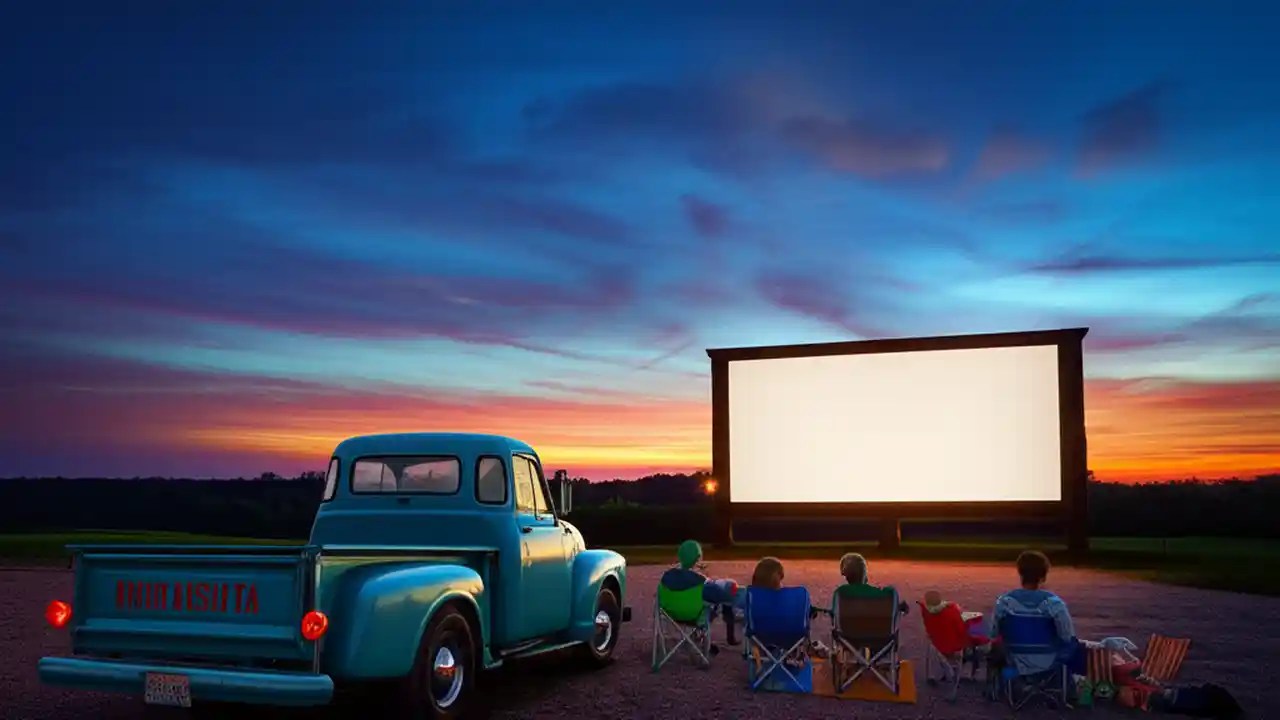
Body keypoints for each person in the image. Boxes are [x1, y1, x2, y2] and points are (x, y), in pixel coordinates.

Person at [990, 550, 1087, 676]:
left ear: (1020, 573)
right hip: (1049, 666)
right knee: (1078, 647)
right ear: (1044, 576)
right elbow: (1067, 637)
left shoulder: (1004, 602)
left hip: (1014, 665)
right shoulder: (1054, 604)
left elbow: (993, 634)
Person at [659, 540, 742, 644]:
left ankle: (699, 636)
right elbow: (721, 594)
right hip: (694, 616)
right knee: (725, 596)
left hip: (671, 615)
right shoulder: (699, 581)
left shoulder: (666, 577)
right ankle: (730, 636)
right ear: (697, 558)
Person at [838, 552, 909, 615]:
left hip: (849, 628)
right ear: (863, 572)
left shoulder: (841, 592)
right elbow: (891, 603)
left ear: (846, 576)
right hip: (877, 628)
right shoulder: (880, 593)